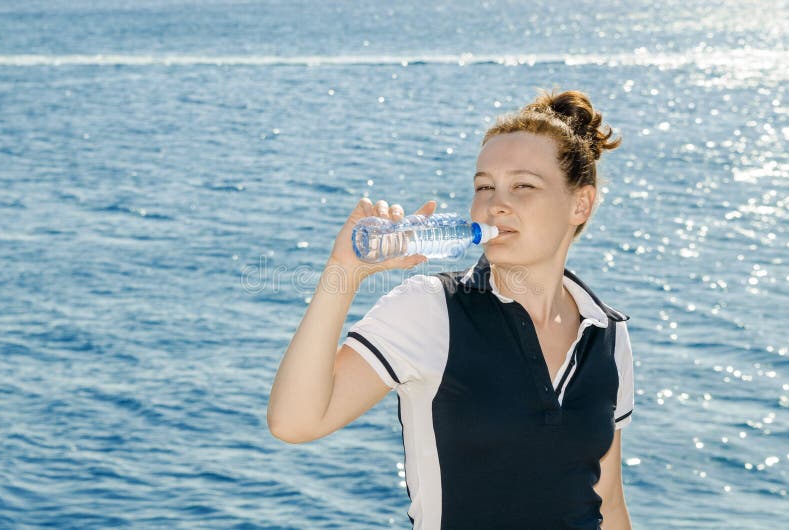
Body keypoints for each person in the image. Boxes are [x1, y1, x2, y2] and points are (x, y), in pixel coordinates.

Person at [267, 89, 635, 530]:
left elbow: (607, 501)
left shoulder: (606, 332)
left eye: (523, 186)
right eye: (484, 186)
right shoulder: (430, 310)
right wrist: (343, 271)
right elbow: (295, 421)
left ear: (581, 204)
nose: (496, 203)